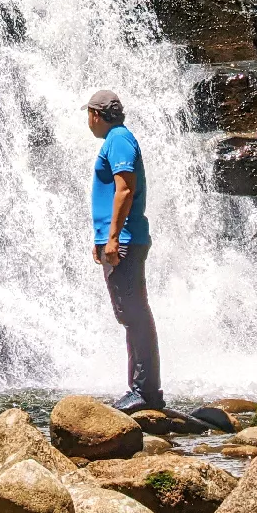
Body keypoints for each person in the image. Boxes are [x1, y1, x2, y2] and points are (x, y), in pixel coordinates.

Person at [86, 86, 164, 412]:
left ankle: (145, 392)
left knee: (134, 315)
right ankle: (143, 390)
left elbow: (124, 190)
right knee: (131, 314)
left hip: (127, 241)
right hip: (121, 239)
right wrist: (101, 238)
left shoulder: (118, 139)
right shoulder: (117, 138)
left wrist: (114, 238)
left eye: (88, 115)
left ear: (95, 115)